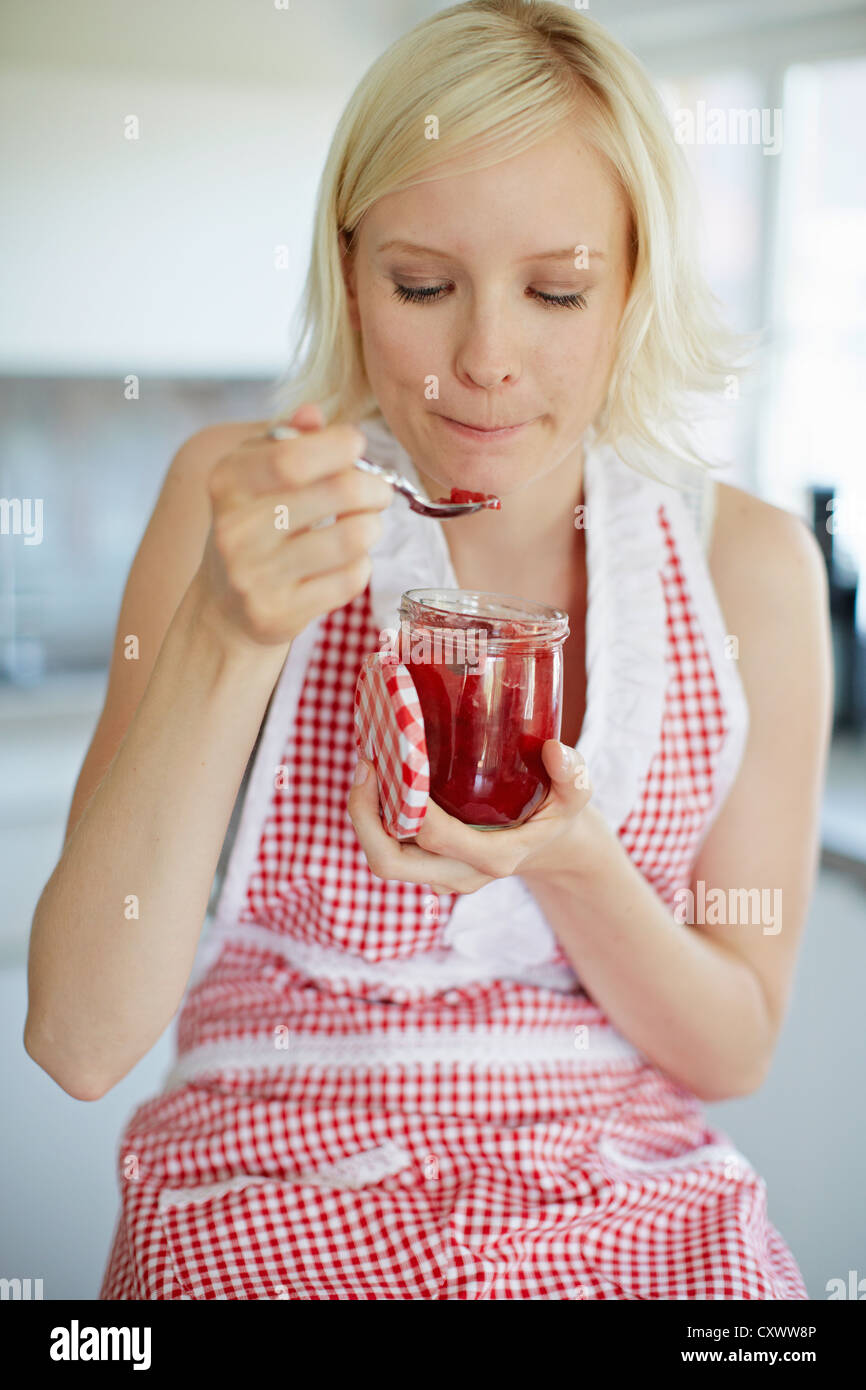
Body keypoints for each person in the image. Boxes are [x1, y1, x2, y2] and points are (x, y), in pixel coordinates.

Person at [26, 0, 830, 1299]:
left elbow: (732, 1043)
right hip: (268, 1183)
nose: (483, 361)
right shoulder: (234, 499)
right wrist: (229, 635)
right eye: (421, 285)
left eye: (556, 290)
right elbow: (75, 1034)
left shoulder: (745, 568)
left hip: (627, 1207)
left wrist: (572, 861)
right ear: (349, 272)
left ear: (632, 284)